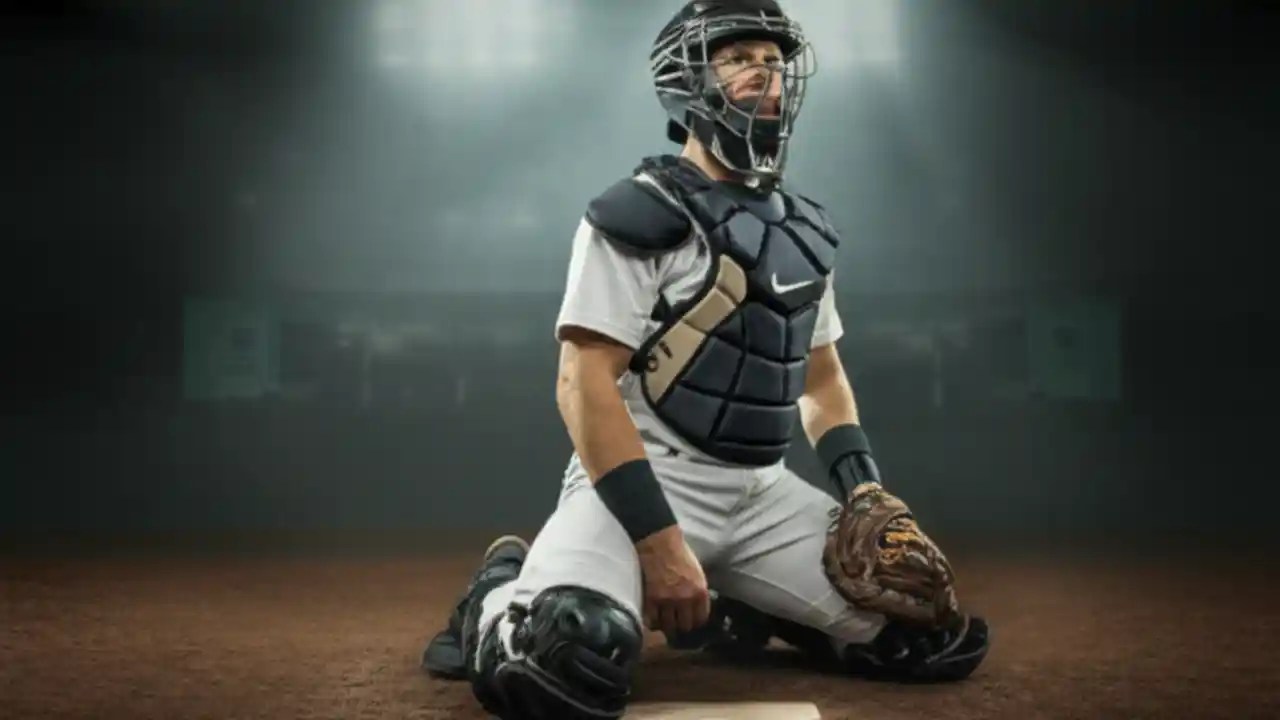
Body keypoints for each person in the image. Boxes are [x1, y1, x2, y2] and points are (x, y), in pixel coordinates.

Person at [420, 2, 990, 717]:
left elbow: (821, 380)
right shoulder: (640, 211)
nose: (765, 71)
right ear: (685, 81)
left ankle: (755, 604)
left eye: (774, 59)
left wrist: (867, 495)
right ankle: (498, 594)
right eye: (739, 56)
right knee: (568, 650)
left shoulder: (804, 231)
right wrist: (659, 544)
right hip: (642, 486)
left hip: (762, 494)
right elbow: (581, 382)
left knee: (928, 635)